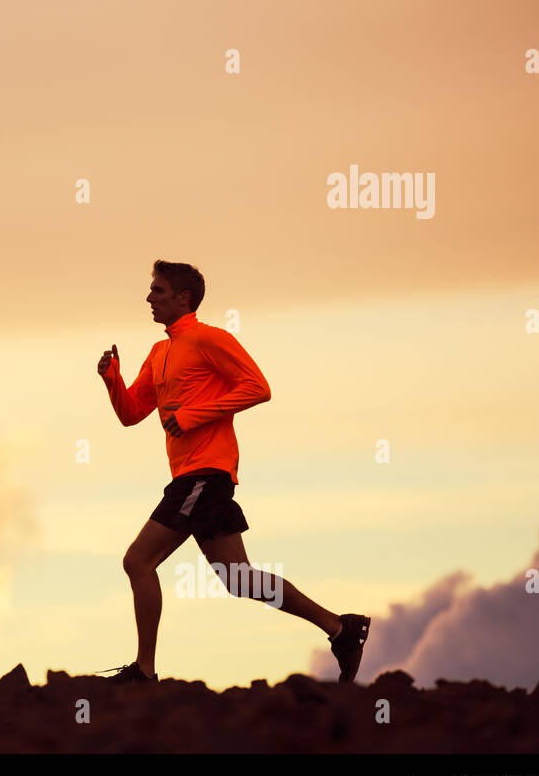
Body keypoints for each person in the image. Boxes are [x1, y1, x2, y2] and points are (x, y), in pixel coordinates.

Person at [95, 260, 369, 685]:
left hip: (205, 474)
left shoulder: (209, 339)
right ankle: (340, 628)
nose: (149, 297)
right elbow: (131, 414)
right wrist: (112, 379)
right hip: (192, 477)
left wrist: (192, 416)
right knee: (239, 579)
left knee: (138, 561)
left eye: (158, 290)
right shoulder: (159, 352)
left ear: (184, 298)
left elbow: (258, 387)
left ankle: (144, 671)